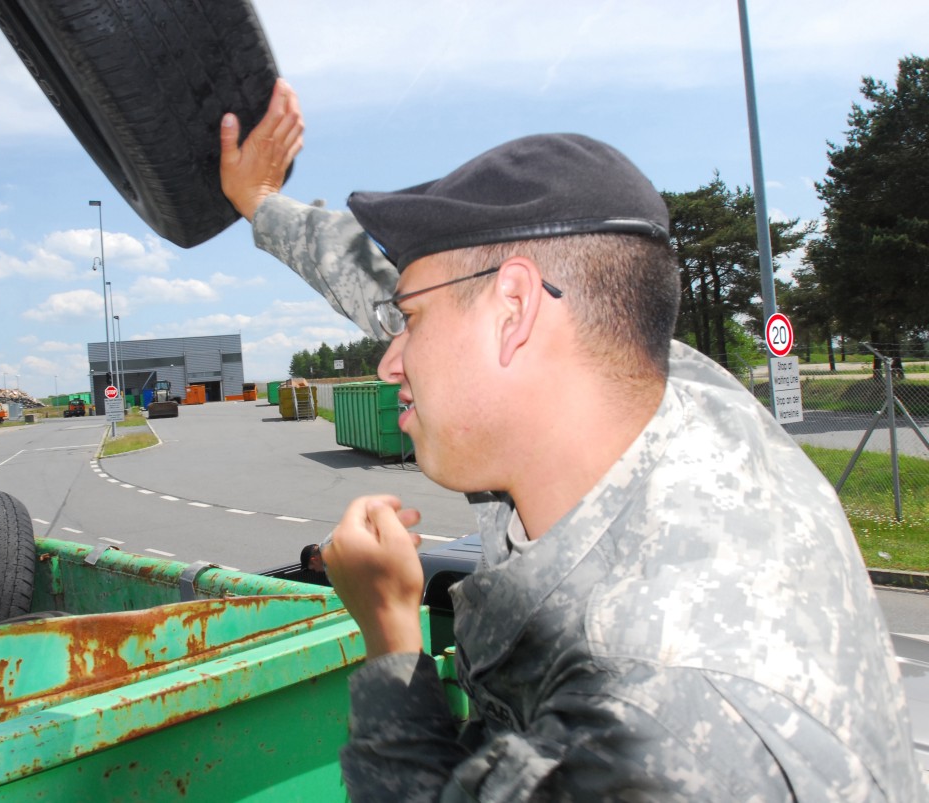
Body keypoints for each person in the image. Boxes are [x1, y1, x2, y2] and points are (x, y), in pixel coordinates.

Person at [220, 81, 923, 800]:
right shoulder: (639, 378)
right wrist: (262, 203)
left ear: (514, 310)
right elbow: (398, 295)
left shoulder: (650, 729)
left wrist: (390, 633)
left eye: (411, 322)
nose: (389, 360)